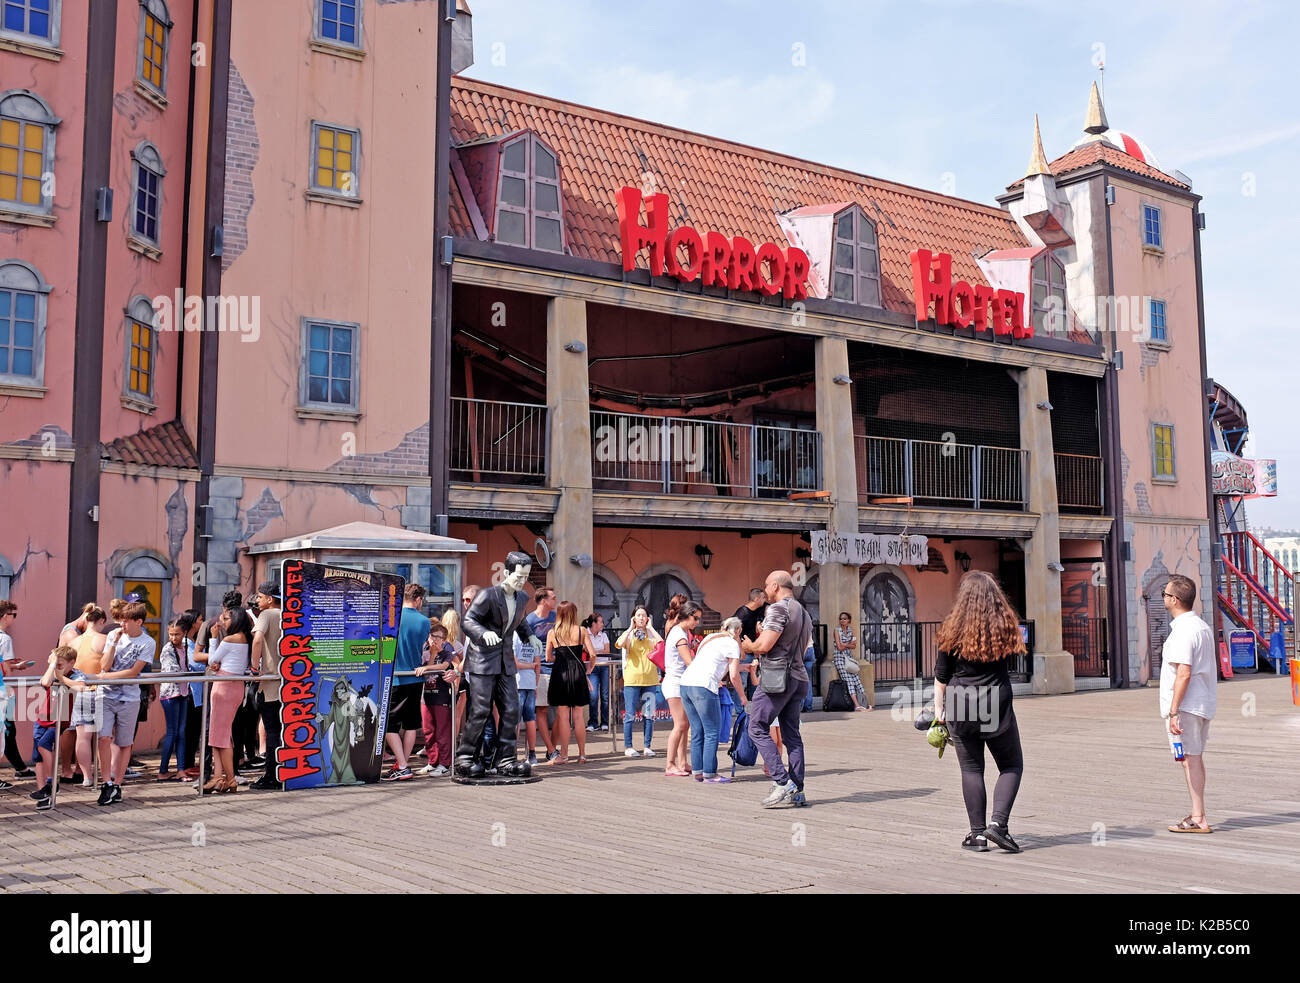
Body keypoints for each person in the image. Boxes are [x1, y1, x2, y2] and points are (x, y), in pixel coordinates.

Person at [933, 570, 1027, 853]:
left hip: (961, 704)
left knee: (972, 769)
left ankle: (978, 836)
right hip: (996, 703)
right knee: (1011, 765)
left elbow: (941, 677)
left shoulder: (950, 629)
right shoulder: (1006, 626)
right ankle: (998, 825)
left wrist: (940, 712)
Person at [456, 551, 533, 778]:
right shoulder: (488, 595)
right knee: (480, 710)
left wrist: (532, 637)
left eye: (526, 577)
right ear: (506, 573)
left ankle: (506, 760)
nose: (522, 581)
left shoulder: (522, 598)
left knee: (511, 710)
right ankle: (465, 758)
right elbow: (468, 621)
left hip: (505, 662)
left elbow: (520, 621)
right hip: (482, 661)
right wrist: (483, 633)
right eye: (518, 576)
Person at [741, 571, 811, 808]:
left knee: (756, 727)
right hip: (799, 678)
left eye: (766, 586)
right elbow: (798, 649)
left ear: (775, 586)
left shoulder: (778, 609)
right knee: (792, 735)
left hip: (777, 678)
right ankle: (798, 790)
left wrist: (750, 644)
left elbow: (765, 645)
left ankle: (782, 781)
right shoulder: (804, 612)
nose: (765, 590)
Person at [1160, 573, 1217, 835]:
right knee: (1192, 758)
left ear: (1174, 599)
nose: (1163, 597)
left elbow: (1184, 672)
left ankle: (1199, 816)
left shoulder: (1184, 631)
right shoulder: (1201, 626)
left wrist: (1173, 711)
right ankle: (1198, 813)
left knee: (1190, 759)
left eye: (1165, 594)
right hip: (1201, 702)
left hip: (1186, 706)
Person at [95, 601, 157, 805]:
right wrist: (113, 643)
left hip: (129, 697)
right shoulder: (113, 635)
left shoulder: (148, 642)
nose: (122, 624)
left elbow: (133, 672)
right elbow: (104, 665)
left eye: (126, 621)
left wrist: (106, 677)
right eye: (121, 620)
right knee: (103, 738)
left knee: (124, 743)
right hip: (106, 696)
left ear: (138, 622)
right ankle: (106, 783)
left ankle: (118, 784)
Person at [194, 601, 254, 794]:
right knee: (218, 735)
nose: (223, 622)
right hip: (234, 686)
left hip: (224, 687)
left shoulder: (231, 639)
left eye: (226, 619)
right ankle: (218, 776)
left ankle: (229, 778)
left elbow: (212, 660)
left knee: (221, 737)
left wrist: (213, 639)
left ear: (235, 620)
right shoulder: (245, 638)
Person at [679, 617, 748, 783]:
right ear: (738, 631)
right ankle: (710, 773)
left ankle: (698, 771)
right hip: (704, 686)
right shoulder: (731, 644)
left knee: (697, 730)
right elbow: (733, 675)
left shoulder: (710, 638)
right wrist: (743, 697)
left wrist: (743, 667)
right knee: (712, 731)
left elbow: (712, 662)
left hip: (686, 683)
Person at [32, 646, 91, 808]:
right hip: (42, 718)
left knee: (44, 745)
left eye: (61, 664)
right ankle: (43, 794)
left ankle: (51, 782)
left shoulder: (76, 674)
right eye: (55, 663)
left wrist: (60, 676)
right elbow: (45, 682)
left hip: (59, 720)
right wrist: (52, 667)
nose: (57, 666)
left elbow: (81, 687)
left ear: (71, 663)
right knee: (38, 757)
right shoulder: (52, 671)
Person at [385, 584, 431, 782]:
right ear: (418, 599)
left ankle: (402, 765)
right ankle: (402, 763)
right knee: (411, 724)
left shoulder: (392, 618)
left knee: (388, 725)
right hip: (415, 675)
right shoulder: (424, 621)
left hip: (396, 676)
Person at [544, 601, 596, 763]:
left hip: (560, 673)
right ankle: (582, 754)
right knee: (579, 716)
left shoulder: (553, 632)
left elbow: (548, 657)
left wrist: (558, 657)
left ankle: (565, 754)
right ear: (574, 613)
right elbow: (592, 654)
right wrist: (589, 670)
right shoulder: (581, 631)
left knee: (564, 716)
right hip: (578, 673)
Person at [615, 606, 661, 757]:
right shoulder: (629, 635)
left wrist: (651, 628)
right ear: (633, 618)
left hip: (650, 679)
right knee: (630, 714)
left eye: (644, 615)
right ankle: (628, 746)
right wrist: (630, 628)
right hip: (632, 679)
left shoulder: (651, 635)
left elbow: (661, 645)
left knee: (649, 714)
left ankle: (647, 746)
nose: (641, 618)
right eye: (638, 615)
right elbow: (620, 643)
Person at [249, 582, 283, 790]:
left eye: (260, 597)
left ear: (270, 598)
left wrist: (254, 667)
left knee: (272, 731)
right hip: (290, 683)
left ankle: (271, 775)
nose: (258, 601)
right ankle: (284, 772)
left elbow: (258, 639)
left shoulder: (267, 616)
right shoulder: (290, 615)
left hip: (270, 684)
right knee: (283, 731)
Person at [663, 599, 701, 777]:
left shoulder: (681, 632)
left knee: (684, 726)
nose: (697, 622)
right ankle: (670, 764)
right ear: (686, 616)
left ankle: (683, 762)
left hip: (679, 681)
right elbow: (689, 662)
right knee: (680, 724)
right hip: (675, 682)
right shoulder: (679, 633)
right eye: (696, 618)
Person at [417, 622, 457, 776]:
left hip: (441, 697)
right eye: (432, 636)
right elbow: (425, 670)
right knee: (428, 730)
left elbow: (444, 666)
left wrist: (426, 667)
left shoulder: (447, 653)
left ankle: (445, 764)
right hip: (426, 697)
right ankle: (432, 761)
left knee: (442, 731)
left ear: (444, 640)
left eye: (438, 637)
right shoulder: (425, 652)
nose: (434, 639)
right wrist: (431, 656)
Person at [526, 587, 559, 762]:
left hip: (558, 669)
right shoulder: (529, 621)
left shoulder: (556, 618)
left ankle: (551, 749)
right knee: (542, 710)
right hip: (541, 669)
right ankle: (551, 749)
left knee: (562, 711)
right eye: (553, 598)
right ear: (544, 601)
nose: (556, 601)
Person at [155, 619, 190, 781]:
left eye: (177, 634)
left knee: (182, 732)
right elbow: (172, 669)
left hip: (183, 692)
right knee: (172, 732)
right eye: (171, 634)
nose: (173, 638)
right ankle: (163, 770)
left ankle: (181, 769)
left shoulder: (186, 646)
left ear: (184, 634)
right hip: (170, 694)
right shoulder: (167, 649)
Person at [511, 629, 541, 767]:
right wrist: (535, 684)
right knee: (530, 720)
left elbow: (514, 662)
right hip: (530, 682)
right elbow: (537, 665)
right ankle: (532, 754)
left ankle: (512, 754)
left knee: (515, 721)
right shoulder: (534, 639)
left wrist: (527, 665)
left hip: (518, 682)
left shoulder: (514, 637)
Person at [833, 612, 870, 711]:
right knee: (849, 680)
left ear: (849, 620)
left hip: (849, 658)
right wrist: (847, 644)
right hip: (840, 658)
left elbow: (854, 646)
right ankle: (857, 705)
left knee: (857, 680)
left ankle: (866, 704)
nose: (842, 620)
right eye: (841, 619)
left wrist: (844, 644)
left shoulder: (850, 630)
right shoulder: (837, 631)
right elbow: (839, 648)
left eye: (844, 619)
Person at [583, 613, 611, 732]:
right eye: (600, 622)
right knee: (593, 696)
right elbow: (585, 649)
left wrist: (594, 652)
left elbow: (607, 651)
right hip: (592, 667)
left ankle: (604, 722)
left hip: (604, 666)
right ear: (594, 623)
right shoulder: (586, 634)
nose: (602, 624)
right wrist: (594, 652)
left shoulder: (603, 635)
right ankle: (593, 722)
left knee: (604, 695)